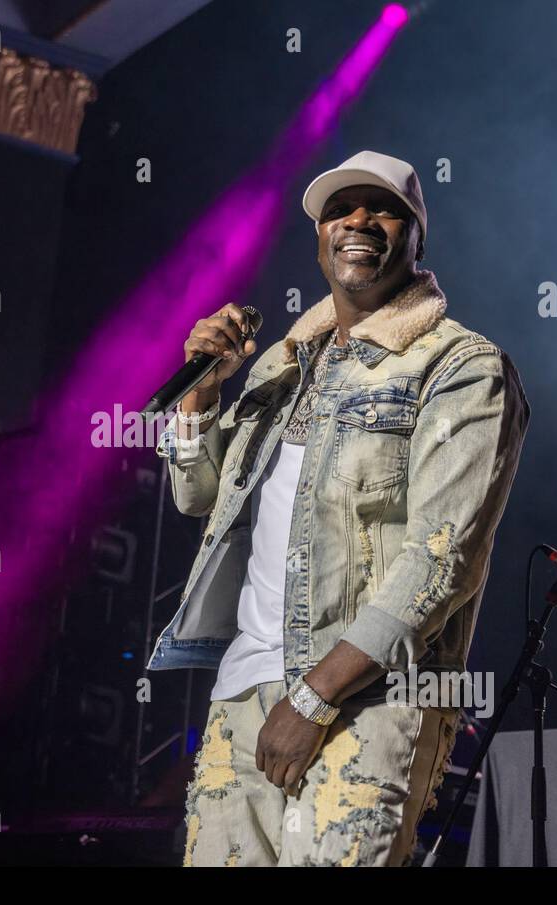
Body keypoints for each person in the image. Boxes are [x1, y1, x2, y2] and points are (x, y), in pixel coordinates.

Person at [149, 150, 529, 866]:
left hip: (366, 697)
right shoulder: (280, 363)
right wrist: (201, 391)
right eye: (338, 209)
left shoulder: (462, 367)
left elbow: (441, 562)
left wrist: (315, 697)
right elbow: (196, 494)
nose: (357, 220)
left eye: (382, 208)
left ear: (418, 236)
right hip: (244, 692)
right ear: (320, 235)